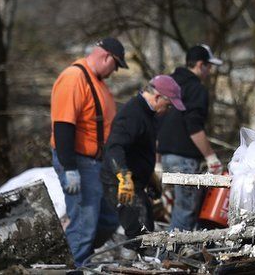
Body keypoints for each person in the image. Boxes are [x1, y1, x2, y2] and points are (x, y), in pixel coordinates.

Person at [50, 37, 127, 267]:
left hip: (96, 163)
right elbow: (63, 125)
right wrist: (70, 168)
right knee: (84, 223)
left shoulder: (97, 81)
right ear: (107, 57)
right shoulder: (74, 78)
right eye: (116, 65)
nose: (114, 72)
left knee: (108, 218)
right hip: (78, 162)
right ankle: (75, 265)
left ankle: (76, 257)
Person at [102, 75, 185, 239]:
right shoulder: (133, 114)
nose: (168, 109)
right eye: (168, 104)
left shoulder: (149, 113)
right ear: (157, 96)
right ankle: (135, 261)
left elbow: (140, 149)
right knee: (139, 232)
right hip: (121, 183)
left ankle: (140, 260)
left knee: (146, 223)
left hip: (137, 181)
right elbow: (114, 147)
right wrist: (124, 177)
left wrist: (150, 176)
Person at [157, 44, 225, 231]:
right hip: (184, 159)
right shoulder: (196, 89)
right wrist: (211, 157)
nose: (209, 71)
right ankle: (168, 257)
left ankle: (177, 253)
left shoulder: (168, 83)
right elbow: (194, 126)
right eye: (209, 66)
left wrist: (157, 159)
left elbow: (156, 120)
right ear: (200, 65)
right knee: (186, 210)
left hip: (165, 156)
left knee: (177, 209)